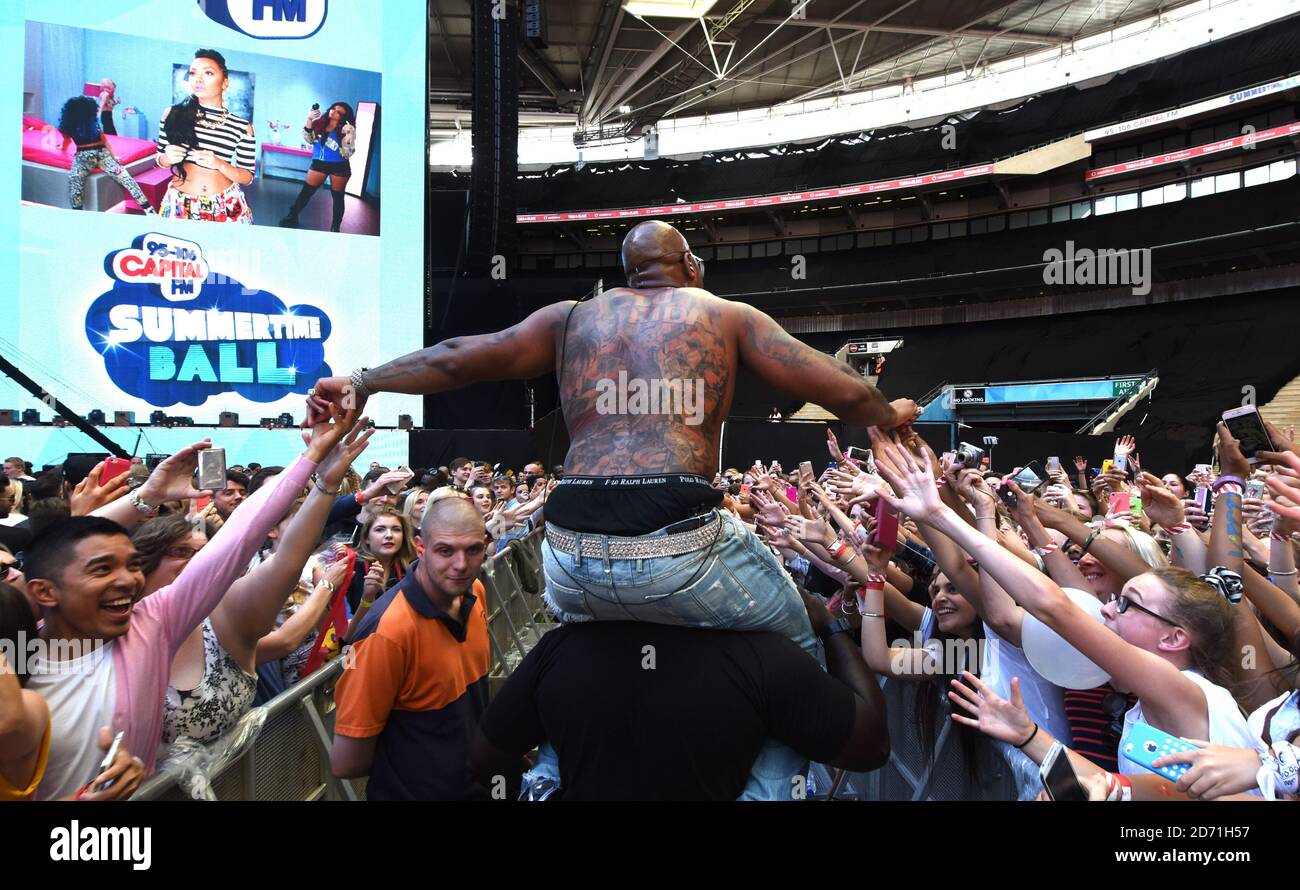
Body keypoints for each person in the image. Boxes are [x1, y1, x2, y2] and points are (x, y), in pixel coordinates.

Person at [308, 218, 917, 799]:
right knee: (803, 646)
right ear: (689, 264)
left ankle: (548, 777)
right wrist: (891, 415)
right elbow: (841, 387)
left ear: (627, 272)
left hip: (570, 556)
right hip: (678, 543)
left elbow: (460, 354)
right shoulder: (725, 314)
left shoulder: (570, 320)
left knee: (571, 652)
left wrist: (365, 379)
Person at [22, 433, 321, 799]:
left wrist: (315, 455)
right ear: (44, 592)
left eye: (132, 565)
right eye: (102, 570)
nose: (127, 580)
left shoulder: (151, 624)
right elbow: (56, 556)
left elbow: (240, 536)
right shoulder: (14, 653)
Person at [471, 592, 890, 800]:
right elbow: (870, 745)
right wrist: (828, 626)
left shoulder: (560, 649)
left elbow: (489, 758)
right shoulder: (767, 656)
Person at [331, 495, 490, 800]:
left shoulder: (477, 592)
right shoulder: (386, 632)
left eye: (473, 550)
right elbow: (347, 761)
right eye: (445, 551)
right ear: (420, 547)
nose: (461, 565)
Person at [156, 49, 256, 223]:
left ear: (225, 83)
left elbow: (247, 177)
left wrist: (219, 164)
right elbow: (159, 159)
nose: (198, 79)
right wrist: (166, 158)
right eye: (193, 73)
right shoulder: (172, 114)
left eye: (208, 73)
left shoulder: (242, 126)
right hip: (179, 205)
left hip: (226, 206)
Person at [56, 96, 155, 214]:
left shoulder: (89, 123)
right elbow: (67, 141)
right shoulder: (75, 125)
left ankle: (148, 208)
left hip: (97, 156)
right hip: (90, 157)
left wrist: (114, 156)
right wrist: (62, 148)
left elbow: (104, 141)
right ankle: (77, 213)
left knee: (125, 178)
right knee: (75, 179)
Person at [279, 102, 357, 232]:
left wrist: (348, 135)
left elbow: (347, 154)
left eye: (339, 111)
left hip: (339, 166)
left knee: (338, 197)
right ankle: (292, 215)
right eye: (333, 108)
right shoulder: (319, 123)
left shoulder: (347, 129)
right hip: (319, 164)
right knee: (306, 192)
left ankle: (335, 226)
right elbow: (309, 139)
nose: (334, 111)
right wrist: (309, 119)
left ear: (344, 116)